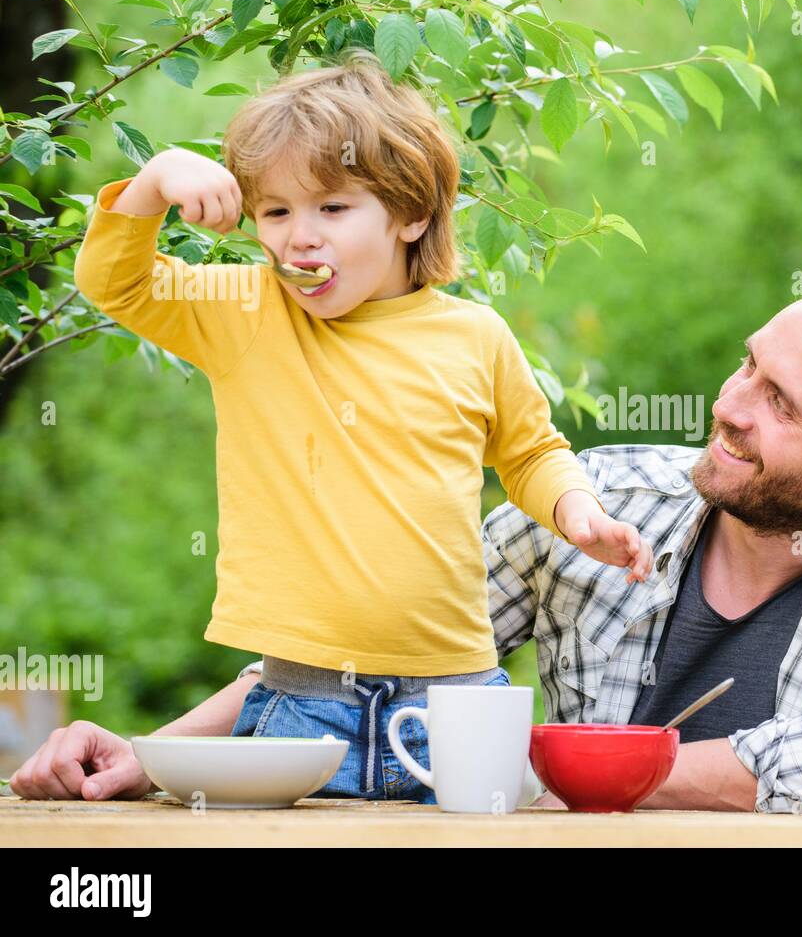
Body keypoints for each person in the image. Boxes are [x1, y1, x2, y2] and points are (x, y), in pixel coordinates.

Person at [15, 253, 802, 818]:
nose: (731, 405)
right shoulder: (604, 496)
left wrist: (576, 768)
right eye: (747, 366)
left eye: (780, 402)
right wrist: (153, 758)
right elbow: (366, 641)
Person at [48, 49, 653, 805]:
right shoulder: (245, 314)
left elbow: (530, 452)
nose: (300, 236)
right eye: (275, 211)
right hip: (298, 708)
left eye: (332, 208)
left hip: (455, 704)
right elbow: (115, 281)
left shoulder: (476, 336)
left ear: (412, 214)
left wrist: (578, 513)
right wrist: (155, 177)